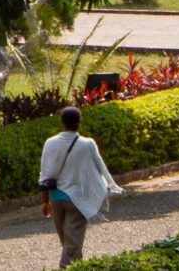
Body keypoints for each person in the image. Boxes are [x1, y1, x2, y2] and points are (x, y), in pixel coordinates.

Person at [38, 105, 120, 266]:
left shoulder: (50, 143)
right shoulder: (87, 144)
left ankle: (77, 267)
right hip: (78, 200)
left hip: (55, 197)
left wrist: (44, 201)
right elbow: (98, 169)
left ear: (62, 122)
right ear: (79, 122)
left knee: (69, 243)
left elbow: (45, 174)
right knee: (72, 244)